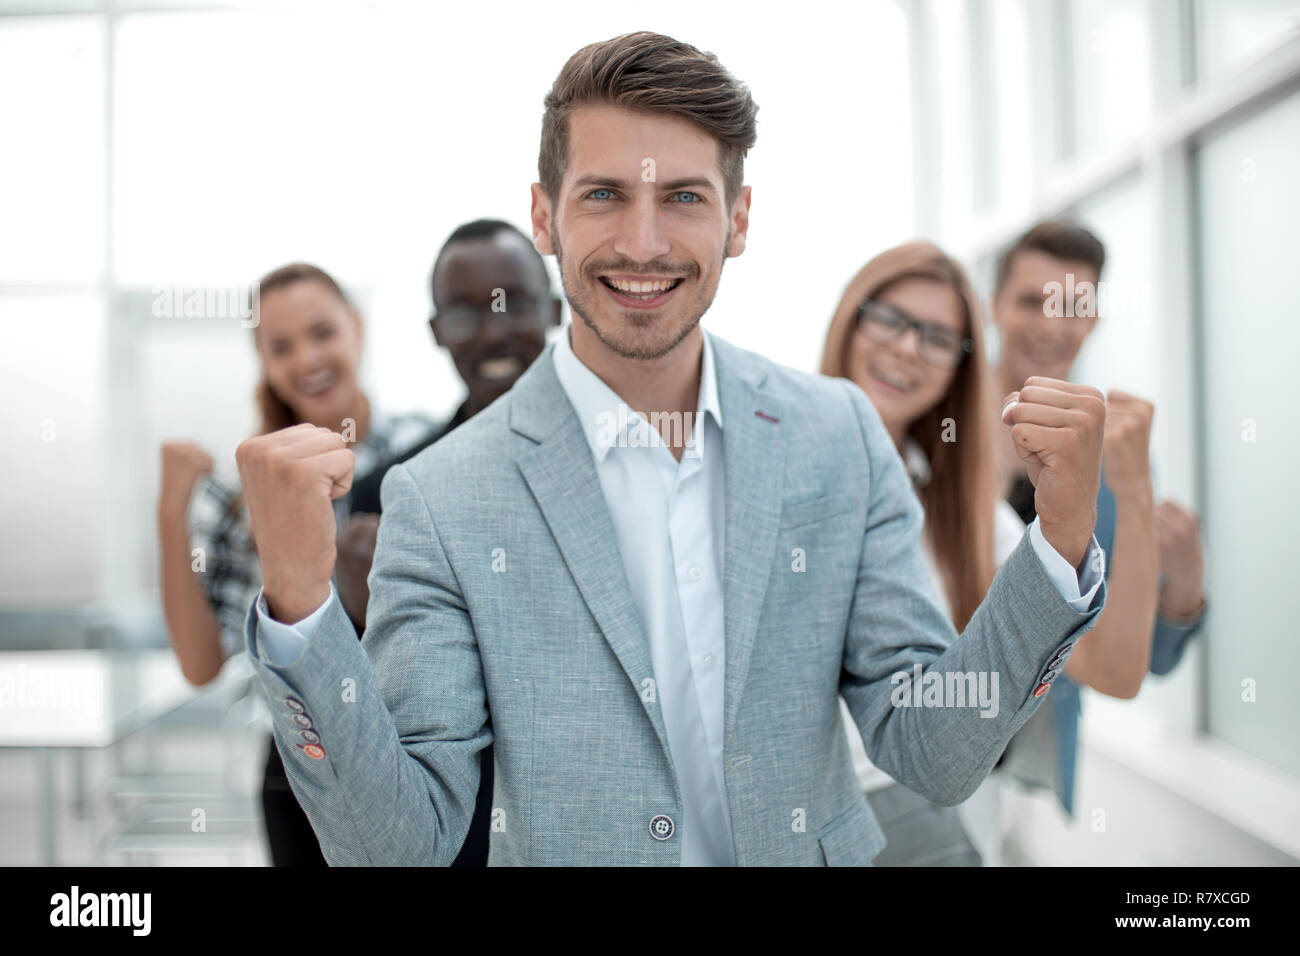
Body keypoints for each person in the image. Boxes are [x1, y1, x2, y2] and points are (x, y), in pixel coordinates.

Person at [234, 32, 1111, 866]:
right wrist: (303, 609)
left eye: (684, 197)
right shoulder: (444, 496)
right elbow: (402, 846)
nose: (644, 243)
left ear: (739, 219)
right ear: (545, 216)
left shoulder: (835, 438)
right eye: (605, 194)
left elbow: (930, 752)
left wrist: (1059, 548)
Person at [157, 262, 429, 866]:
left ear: (356, 328)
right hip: (298, 771)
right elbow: (201, 665)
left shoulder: (429, 448)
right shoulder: (242, 493)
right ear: (263, 360)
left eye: (322, 332)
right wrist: (170, 512)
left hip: (423, 754)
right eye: (281, 346)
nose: (307, 359)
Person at [337, 219, 562, 866]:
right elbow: (379, 712)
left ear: (553, 308)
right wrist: (356, 612)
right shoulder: (392, 491)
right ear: (436, 332)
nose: (493, 331)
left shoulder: (626, 462)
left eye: (514, 303)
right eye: (465, 314)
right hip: (460, 829)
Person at [989, 221, 1208, 820]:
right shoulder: (938, 427)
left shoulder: (1114, 455)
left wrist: (1185, 588)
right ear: (995, 305)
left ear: (1095, 318)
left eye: (1074, 307)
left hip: (1024, 771)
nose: (1052, 326)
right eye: (1033, 301)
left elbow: (1143, 661)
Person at [820, 241, 1023, 865]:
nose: (907, 348)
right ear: (852, 318)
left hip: (922, 825)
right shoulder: (753, 472)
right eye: (890, 318)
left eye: (938, 337)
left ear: (959, 367)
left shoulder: (982, 526)